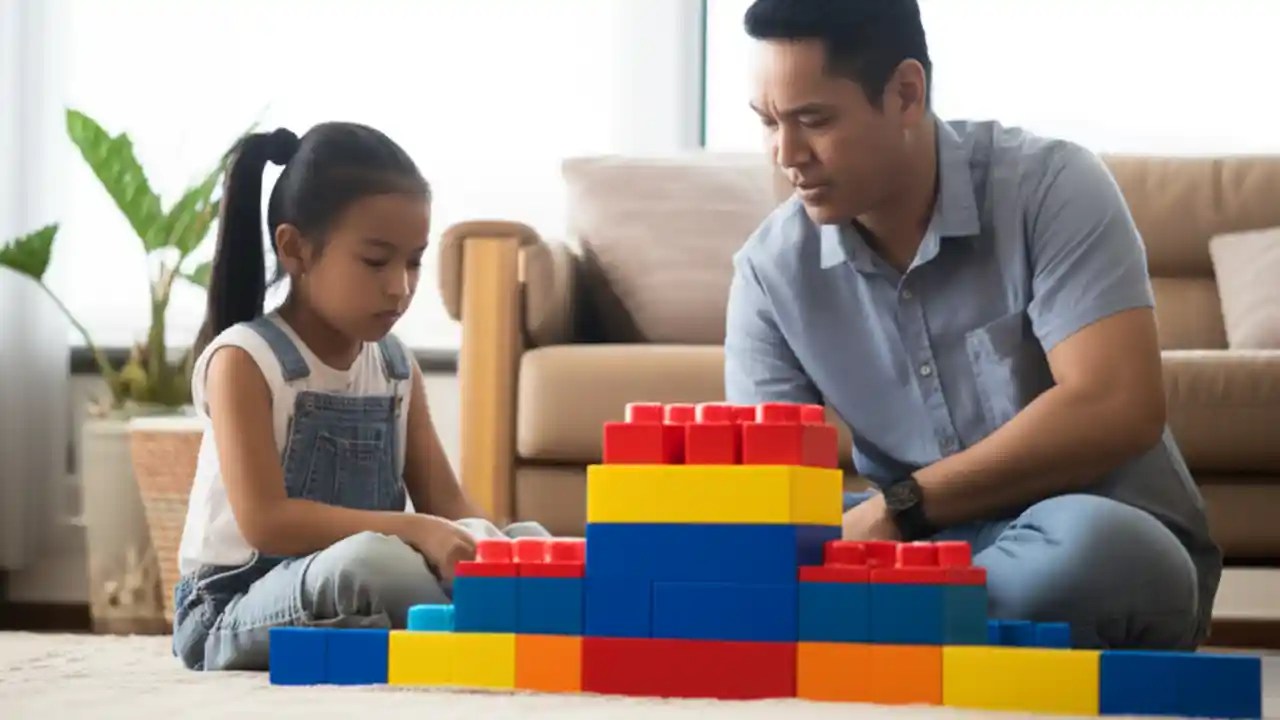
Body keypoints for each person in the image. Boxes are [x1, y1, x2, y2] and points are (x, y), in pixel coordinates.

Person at [725, 0, 1221, 650]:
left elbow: (1117, 406)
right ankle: (904, 627)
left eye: (813, 120)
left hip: (1082, 540)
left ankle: (859, 627)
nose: (786, 155)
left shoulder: (1052, 186)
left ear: (906, 93)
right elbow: (771, 500)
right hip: (920, 552)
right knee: (739, 547)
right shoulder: (770, 272)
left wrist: (903, 508)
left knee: (1097, 555)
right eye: (768, 123)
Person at [172, 122, 549, 671]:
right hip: (232, 607)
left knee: (525, 540)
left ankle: (490, 618)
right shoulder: (245, 361)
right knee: (374, 564)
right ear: (295, 249)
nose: (400, 286)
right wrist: (418, 530)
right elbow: (266, 522)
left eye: (414, 261)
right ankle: (488, 627)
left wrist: (492, 547)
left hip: (358, 573)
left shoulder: (395, 367)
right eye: (376, 261)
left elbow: (447, 504)